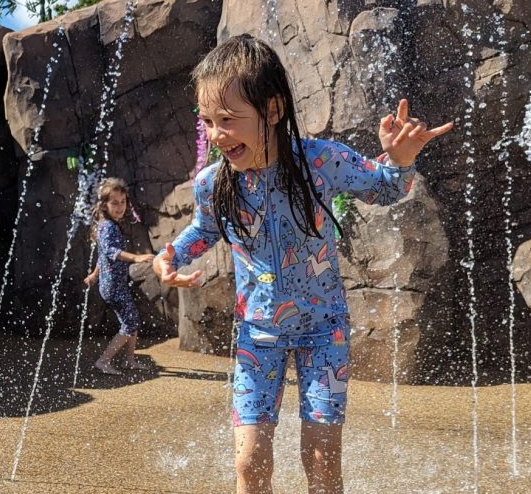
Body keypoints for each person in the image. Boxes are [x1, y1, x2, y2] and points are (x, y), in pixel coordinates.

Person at [152, 35, 452, 494]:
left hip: (323, 331)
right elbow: (204, 231)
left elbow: (384, 188)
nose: (215, 135)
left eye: (228, 120)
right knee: (249, 463)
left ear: (273, 110)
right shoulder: (214, 183)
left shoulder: (320, 161)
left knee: (321, 462)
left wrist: (400, 160)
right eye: (208, 122)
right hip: (258, 334)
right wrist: (170, 255)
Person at [84, 177, 154, 375]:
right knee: (130, 323)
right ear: (104, 205)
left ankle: (129, 360)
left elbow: (102, 255)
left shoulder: (110, 225)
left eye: (122, 202)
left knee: (132, 320)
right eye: (114, 203)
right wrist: (136, 257)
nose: (120, 207)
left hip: (116, 284)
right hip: (113, 286)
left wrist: (94, 275)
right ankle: (103, 361)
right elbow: (110, 251)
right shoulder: (107, 226)